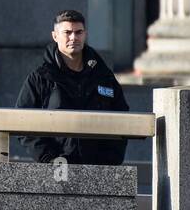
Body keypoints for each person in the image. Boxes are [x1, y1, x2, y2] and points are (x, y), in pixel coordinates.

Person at [14, 9, 129, 165]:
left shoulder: (104, 76)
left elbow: (123, 118)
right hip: (56, 169)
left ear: (85, 34)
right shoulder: (40, 78)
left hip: (99, 170)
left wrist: (110, 159)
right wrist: (50, 159)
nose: (73, 37)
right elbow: (22, 122)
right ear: (55, 36)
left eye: (79, 32)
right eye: (67, 32)